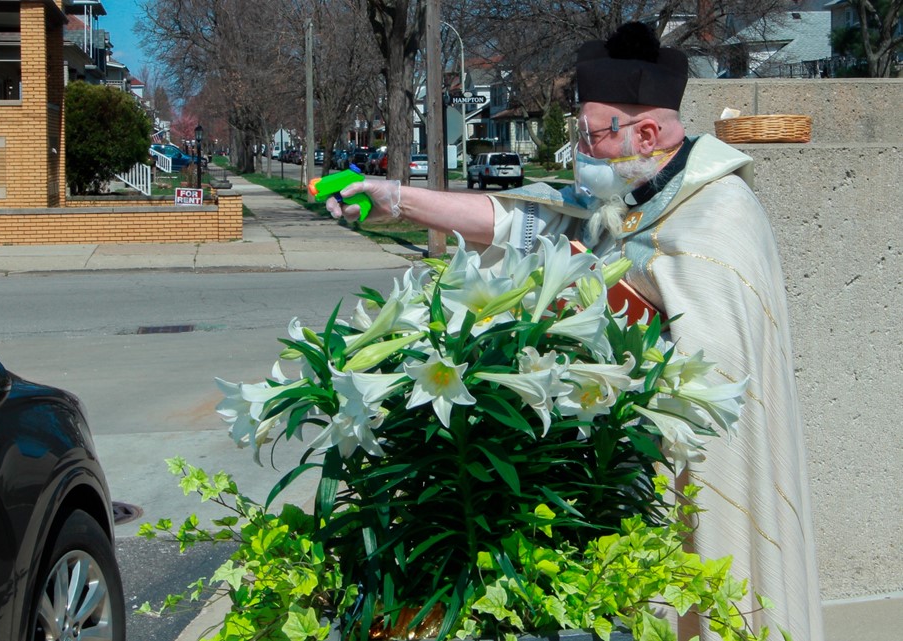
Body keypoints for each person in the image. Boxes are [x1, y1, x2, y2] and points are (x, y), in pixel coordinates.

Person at [326, 21, 824, 641]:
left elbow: (715, 351)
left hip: (684, 462)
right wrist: (397, 199)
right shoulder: (628, 189)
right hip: (612, 463)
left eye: (590, 136)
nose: (579, 153)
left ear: (644, 132)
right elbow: (516, 220)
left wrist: (589, 292)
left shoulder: (718, 211)